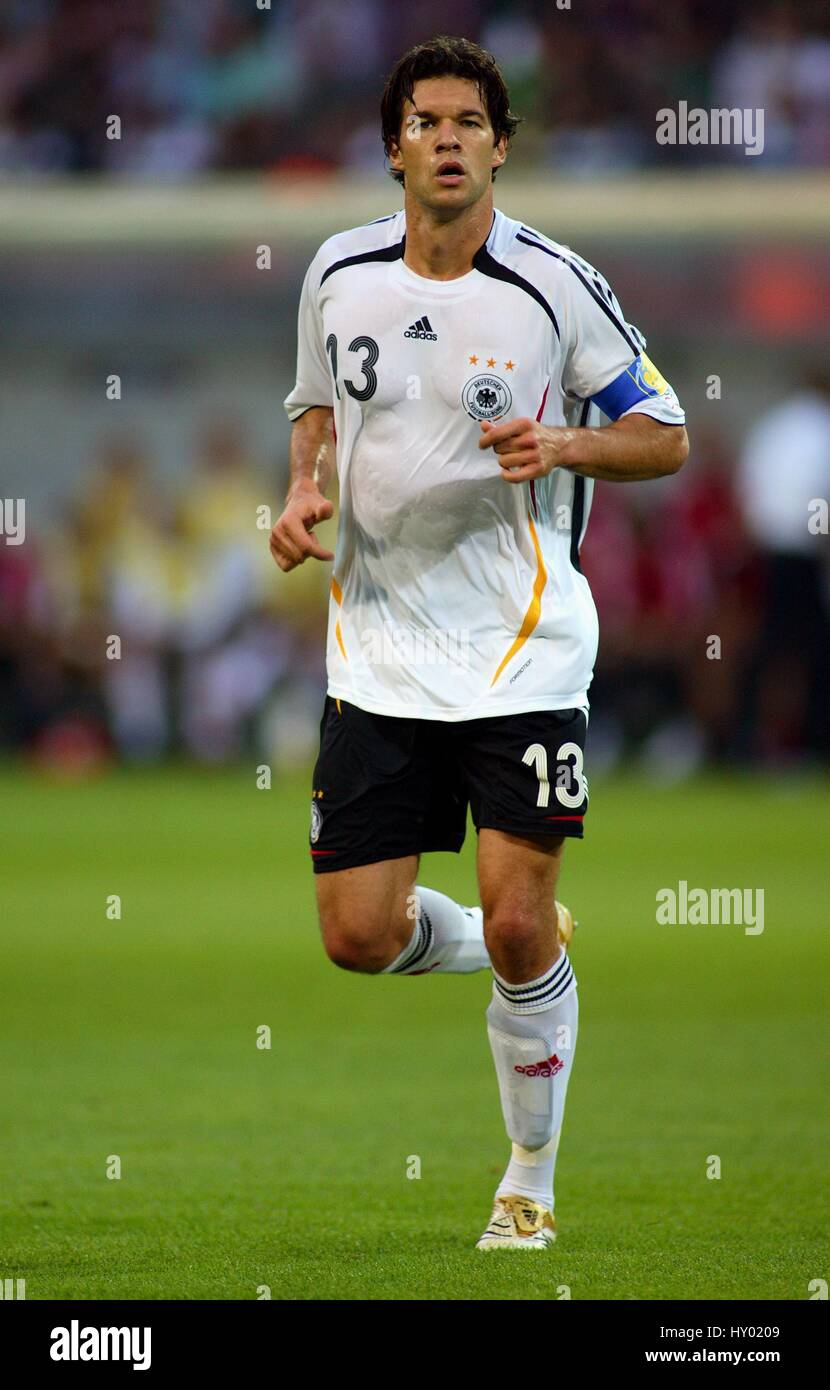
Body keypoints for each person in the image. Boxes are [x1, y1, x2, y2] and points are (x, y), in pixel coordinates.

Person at [270, 35, 688, 1250]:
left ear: (500, 146)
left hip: (521, 650)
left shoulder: (553, 284)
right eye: (424, 121)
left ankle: (528, 1184)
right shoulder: (337, 272)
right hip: (378, 653)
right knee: (356, 935)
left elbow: (661, 434)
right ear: (392, 144)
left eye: (469, 122)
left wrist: (565, 444)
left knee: (511, 922)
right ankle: (531, 947)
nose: (446, 139)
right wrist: (302, 489)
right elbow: (313, 404)